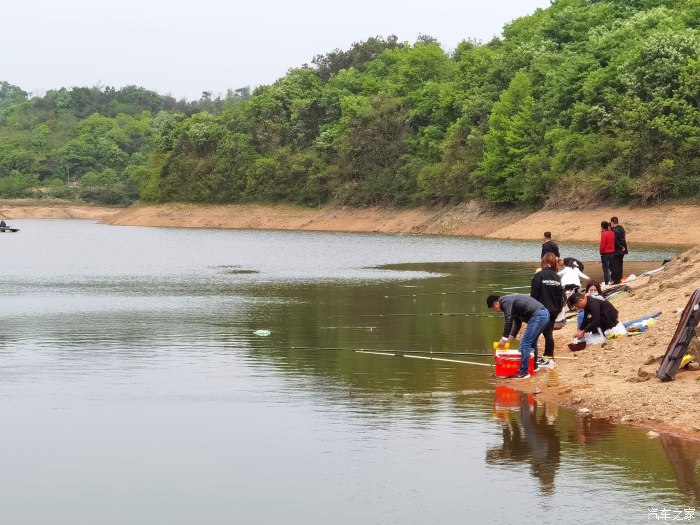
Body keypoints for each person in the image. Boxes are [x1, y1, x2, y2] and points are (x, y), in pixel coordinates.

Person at [487, 294, 550, 379]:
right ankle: (534, 366)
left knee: (524, 343)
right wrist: (509, 339)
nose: (494, 311)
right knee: (532, 341)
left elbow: (508, 321)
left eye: (493, 309)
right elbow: (517, 324)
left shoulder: (506, 303)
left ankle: (524, 372)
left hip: (538, 315)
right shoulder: (510, 303)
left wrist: (503, 338)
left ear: (496, 304)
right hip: (544, 314)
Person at [531, 252, 564, 361]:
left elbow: (534, 295)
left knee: (535, 334)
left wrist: (532, 311)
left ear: (544, 262)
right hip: (554, 310)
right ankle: (548, 355)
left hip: (541, 310)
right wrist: (558, 309)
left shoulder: (538, 275)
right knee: (548, 333)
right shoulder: (557, 277)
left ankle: (538, 358)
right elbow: (561, 296)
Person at [610, 216, 628, 284]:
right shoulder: (622, 228)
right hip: (623, 249)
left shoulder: (614, 230)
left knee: (615, 265)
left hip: (617, 250)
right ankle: (620, 278)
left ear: (612, 222)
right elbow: (622, 239)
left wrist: (620, 247)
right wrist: (623, 247)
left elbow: (615, 241)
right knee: (620, 264)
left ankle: (616, 280)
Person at [599, 220, 615, 286]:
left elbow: (603, 244)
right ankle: (612, 280)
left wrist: (601, 252)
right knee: (611, 267)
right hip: (612, 252)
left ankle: (607, 283)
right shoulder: (612, 233)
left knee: (606, 269)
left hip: (605, 253)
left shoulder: (604, 234)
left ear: (602, 226)